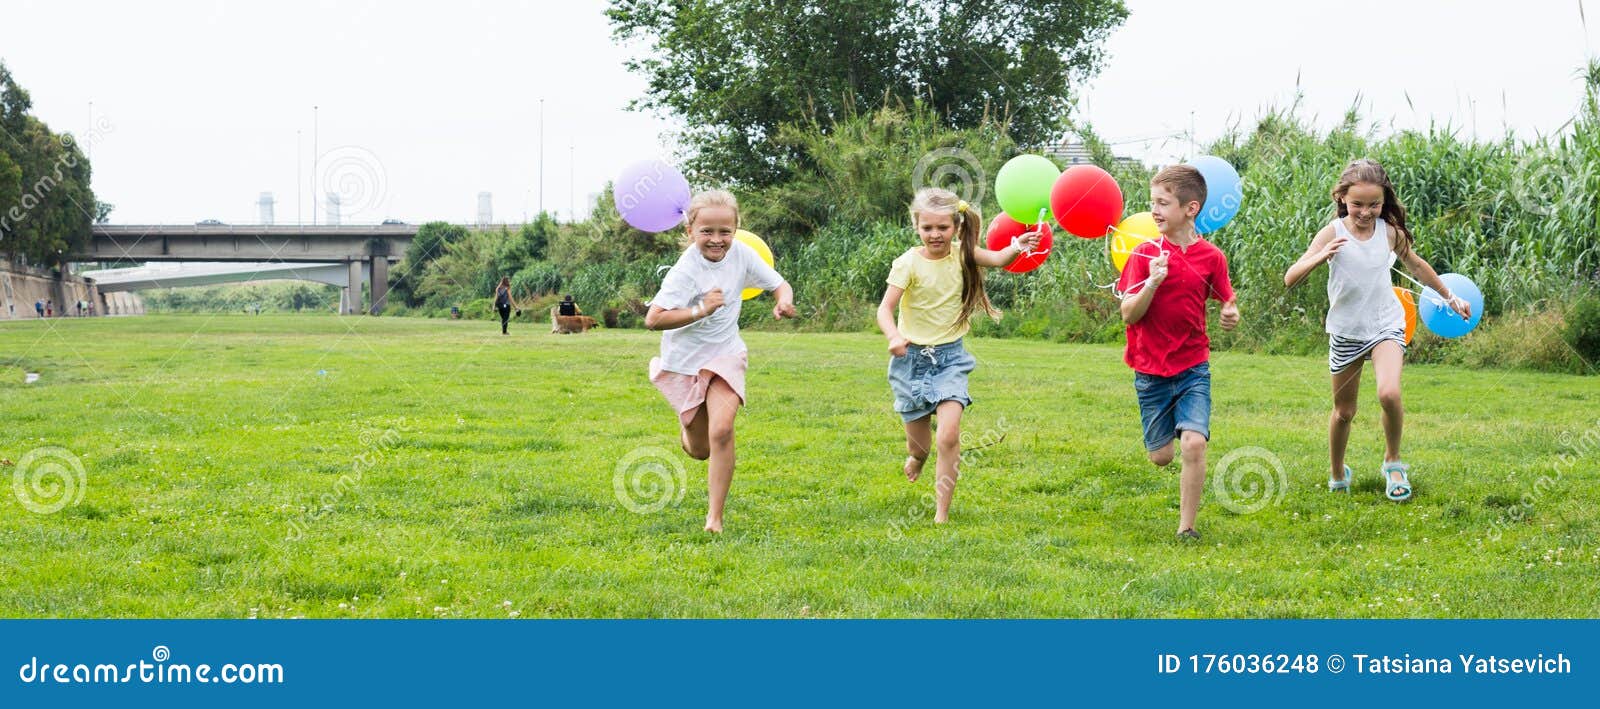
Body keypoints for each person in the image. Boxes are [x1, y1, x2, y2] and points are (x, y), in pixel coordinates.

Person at [1283, 158, 1470, 502]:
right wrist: (1320, 255)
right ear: (1342, 198)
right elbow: (1290, 278)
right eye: (1357, 204)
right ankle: (1338, 472)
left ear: (1384, 202)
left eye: (1374, 204)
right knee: (1344, 412)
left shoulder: (1389, 233)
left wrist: (1450, 297)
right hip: (1346, 332)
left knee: (1389, 394)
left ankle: (1393, 462)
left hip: (1386, 325)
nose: (1366, 212)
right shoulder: (1332, 233)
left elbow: (1416, 264)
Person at [875, 187, 1040, 524]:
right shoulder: (908, 263)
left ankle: (941, 514)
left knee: (949, 434)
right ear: (916, 227)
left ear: (956, 226)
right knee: (919, 446)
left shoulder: (962, 255)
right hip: (910, 360)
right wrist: (893, 336)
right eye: (928, 228)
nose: (935, 234)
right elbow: (885, 309)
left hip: (950, 358)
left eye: (943, 228)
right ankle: (917, 459)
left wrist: (1016, 248)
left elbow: (995, 259)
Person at [644, 190, 796, 532]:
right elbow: (653, 319)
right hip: (684, 362)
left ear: (736, 229)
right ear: (690, 232)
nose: (717, 240)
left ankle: (714, 518)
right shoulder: (685, 271)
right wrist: (701, 309)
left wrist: (783, 302)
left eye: (725, 231)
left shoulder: (741, 254)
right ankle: (687, 434)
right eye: (707, 232)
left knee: (723, 430)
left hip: (726, 353)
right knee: (700, 450)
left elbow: (779, 284)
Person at [1117, 165, 1241, 541]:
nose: (1154, 210)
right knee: (1161, 457)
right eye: (1152, 202)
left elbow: (1226, 296)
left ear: (1191, 208)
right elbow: (1128, 313)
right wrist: (1153, 282)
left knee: (1194, 443)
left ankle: (1186, 527)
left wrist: (1229, 310)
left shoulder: (1211, 258)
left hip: (1192, 367)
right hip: (1150, 371)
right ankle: (1173, 426)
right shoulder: (1143, 254)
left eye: (1162, 203)